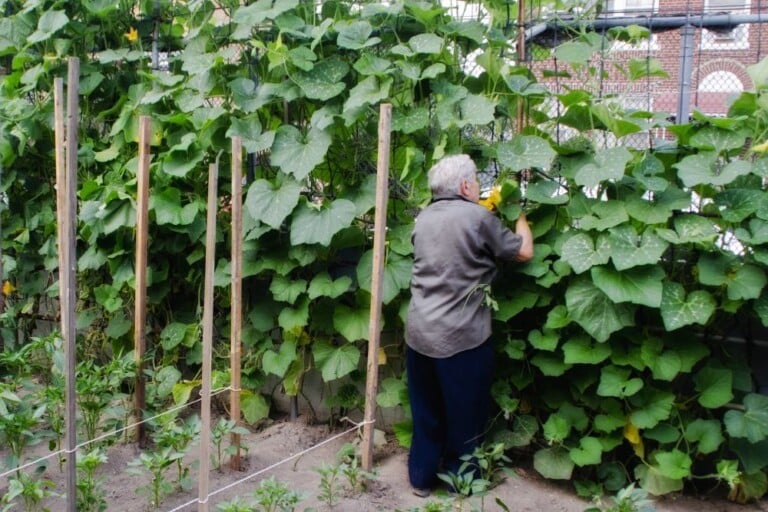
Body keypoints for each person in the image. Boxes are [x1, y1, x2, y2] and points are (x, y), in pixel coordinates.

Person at [405, 154, 534, 497]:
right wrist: (520, 215)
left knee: (426, 411)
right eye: (476, 180)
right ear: (465, 186)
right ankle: (463, 483)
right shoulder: (478, 217)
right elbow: (523, 252)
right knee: (465, 415)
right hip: (461, 337)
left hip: (418, 333)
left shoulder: (423, 217)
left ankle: (421, 480)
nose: (479, 186)